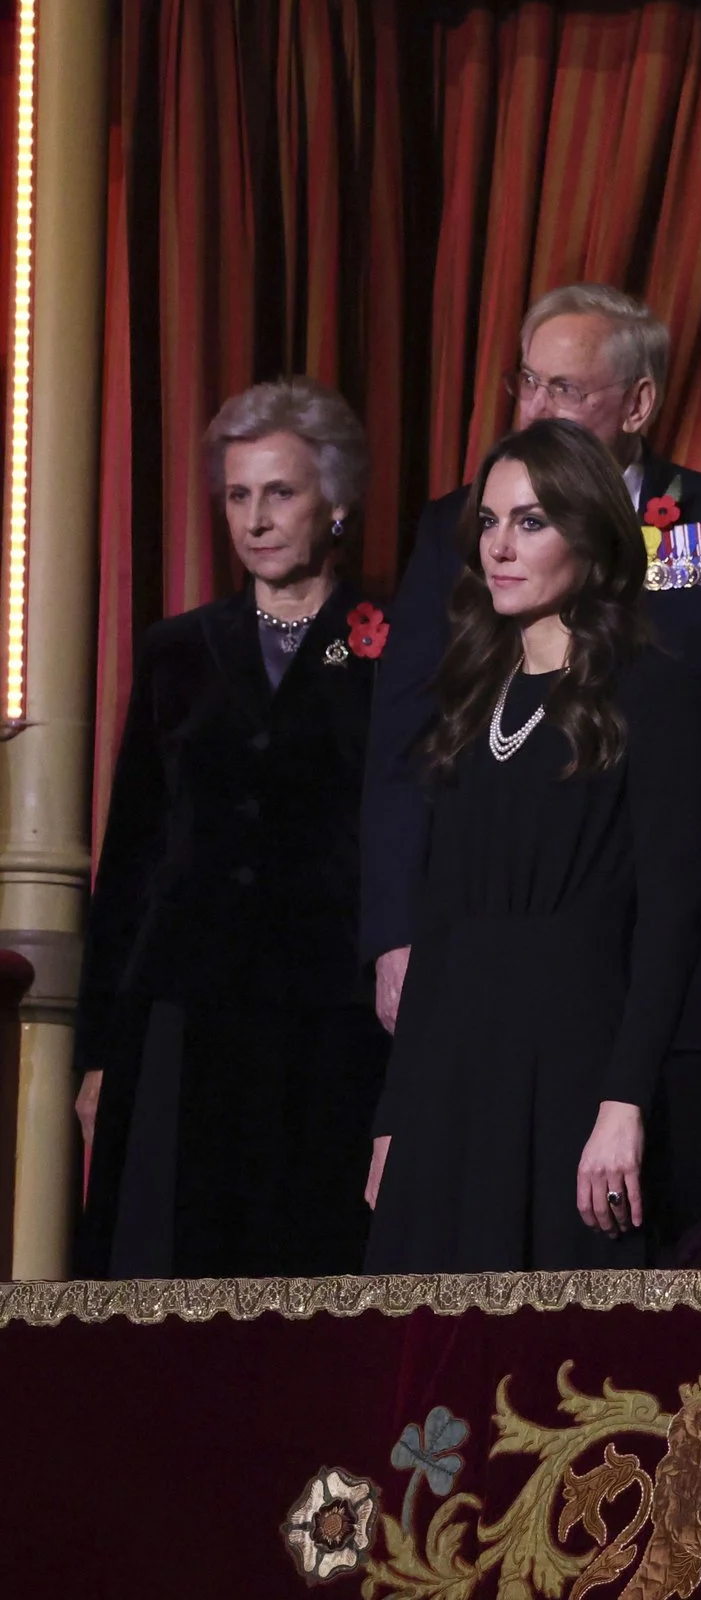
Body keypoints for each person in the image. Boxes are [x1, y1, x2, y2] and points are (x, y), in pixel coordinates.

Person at [362, 283, 701, 1255]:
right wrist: (393, 940)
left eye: (562, 386)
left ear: (636, 403)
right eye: (527, 382)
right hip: (471, 1000)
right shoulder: (465, 560)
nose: (535, 407)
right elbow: (407, 770)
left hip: (653, 969)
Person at [362, 418, 701, 1271]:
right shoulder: (472, 693)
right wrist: (393, 1115)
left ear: (590, 536)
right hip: (451, 1065)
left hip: (575, 1058)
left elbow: (672, 917)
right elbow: (437, 921)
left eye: (531, 521)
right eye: (488, 522)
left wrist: (624, 1100)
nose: (499, 547)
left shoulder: (653, 689)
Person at [73, 378, 388, 1278]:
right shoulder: (178, 646)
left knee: (312, 1267)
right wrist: (99, 1055)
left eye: (279, 492)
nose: (254, 518)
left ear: (334, 500)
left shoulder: (397, 641)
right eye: (238, 495)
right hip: (183, 1008)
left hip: (333, 1017)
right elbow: (130, 856)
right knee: (170, 1269)